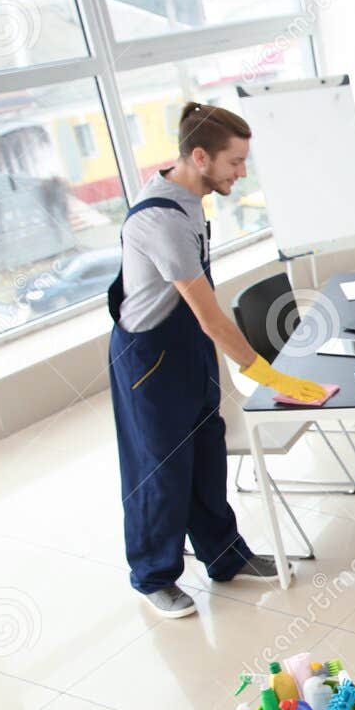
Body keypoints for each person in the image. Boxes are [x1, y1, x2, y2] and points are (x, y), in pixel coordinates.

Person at [107, 101, 327, 620]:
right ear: (200, 157)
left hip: (187, 350)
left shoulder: (188, 194)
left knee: (205, 456)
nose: (241, 173)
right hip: (150, 361)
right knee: (159, 471)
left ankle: (224, 554)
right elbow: (211, 317)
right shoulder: (162, 218)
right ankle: (153, 577)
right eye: (234, 163)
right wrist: (270, 378)